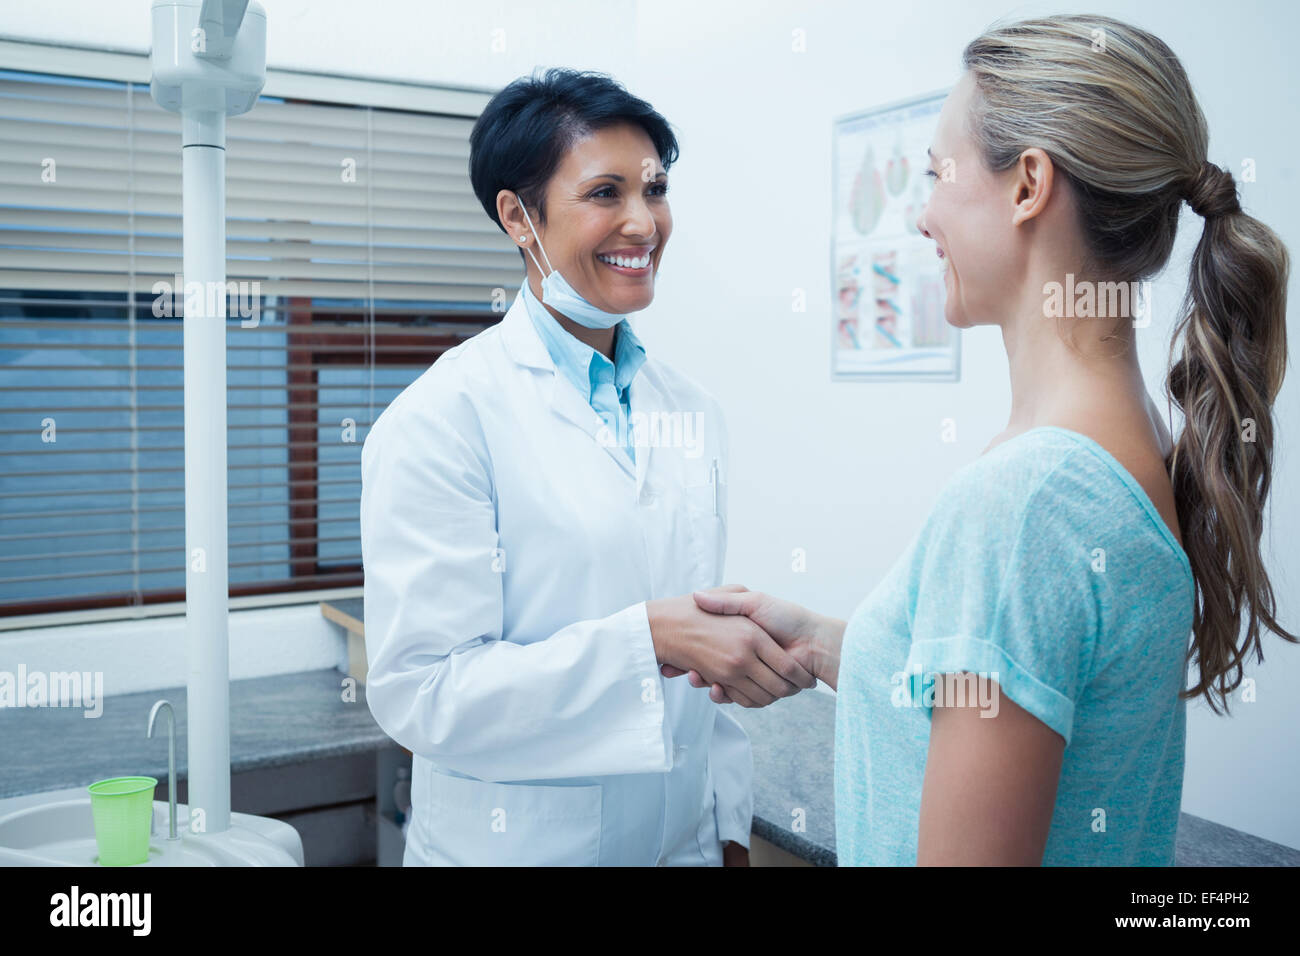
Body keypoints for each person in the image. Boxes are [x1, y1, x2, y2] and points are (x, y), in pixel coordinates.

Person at [670, 14, 1295, 865]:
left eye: (935, 174)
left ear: (1029, 184)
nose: (923, 215)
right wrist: (820, 642)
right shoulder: (1127, 443)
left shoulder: (1026, 502)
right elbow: (1023, 690)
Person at [359, 68, 815, 867]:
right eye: (605, 193)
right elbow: (425, 695)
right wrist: (648, 639)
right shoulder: (440, 420)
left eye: (655, 189)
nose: (643, 223)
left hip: (681, 848)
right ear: (518, 218)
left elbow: (698, 672)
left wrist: (728, 828)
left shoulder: (693, 412)